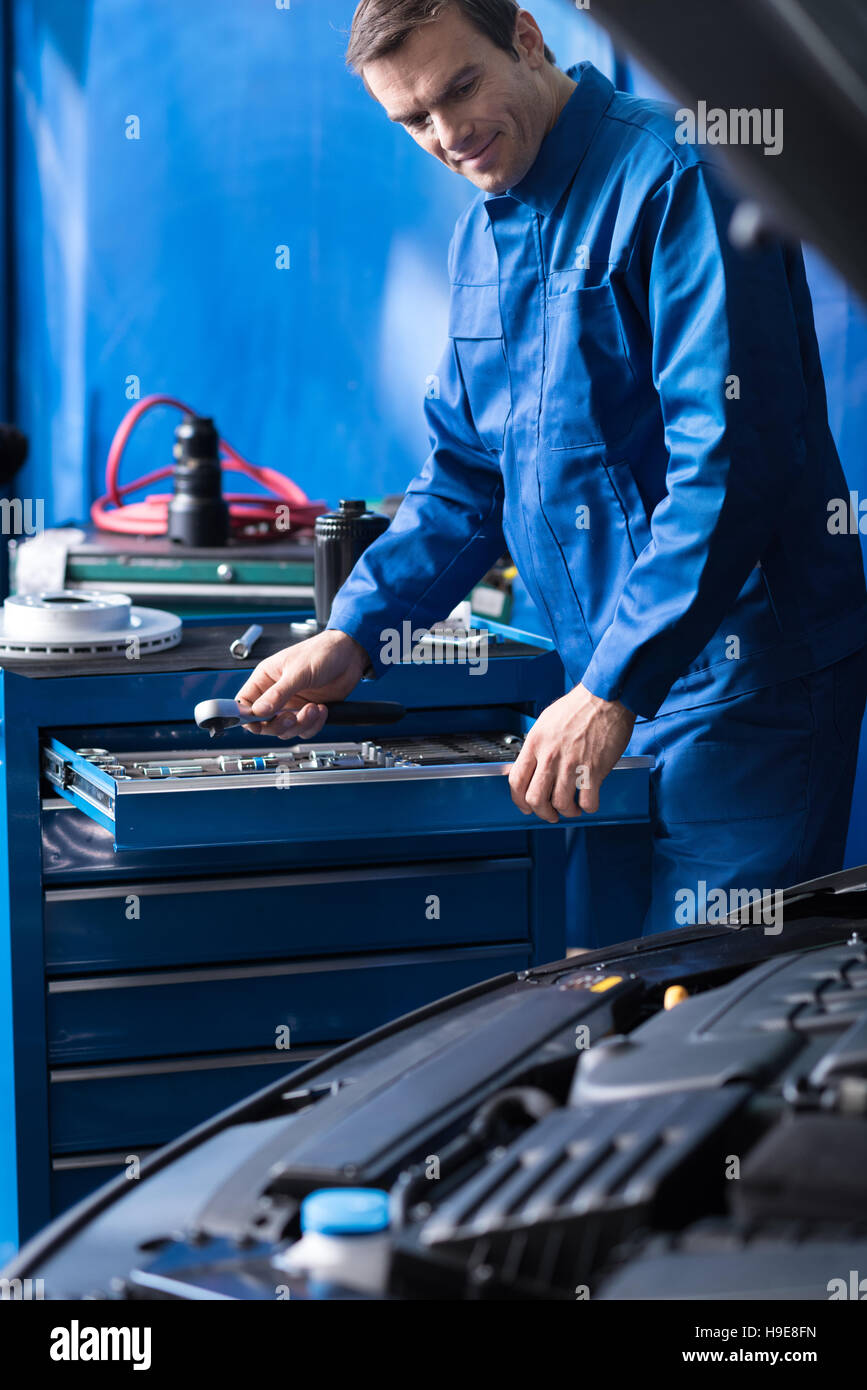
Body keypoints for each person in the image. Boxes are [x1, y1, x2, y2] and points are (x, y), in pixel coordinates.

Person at [237, 1, 867, 935]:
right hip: (604, 692)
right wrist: (355, 633)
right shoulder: (484, 235)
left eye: (460, 88)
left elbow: (730, 461)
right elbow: (467, 475)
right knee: (611, 1004)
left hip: (742, 690)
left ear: (526, 38)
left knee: (701, 1004)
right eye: (414, 120)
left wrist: (614, 684)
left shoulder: (674, 177)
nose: (448, 136)